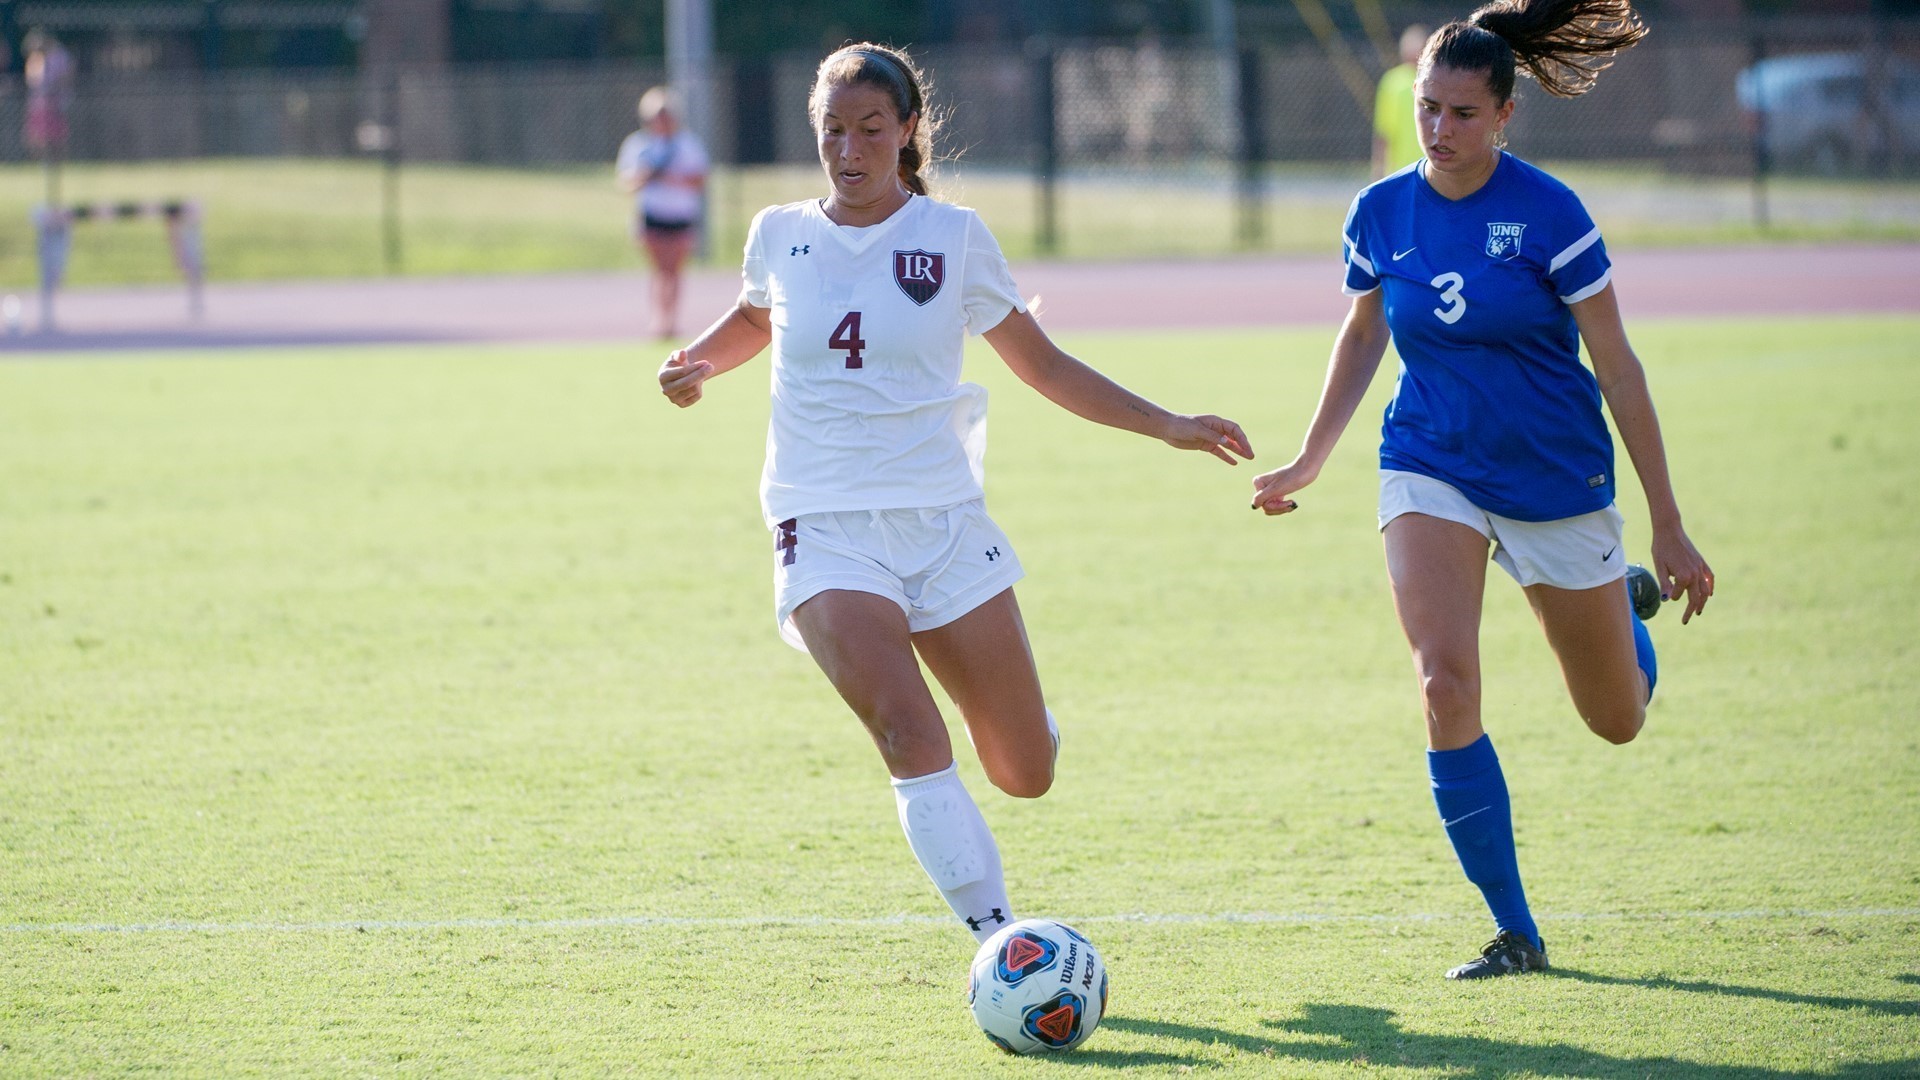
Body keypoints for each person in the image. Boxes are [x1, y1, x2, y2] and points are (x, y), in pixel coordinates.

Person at [658, 43, 1253, 943]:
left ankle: (1020, 722)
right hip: (820, 523)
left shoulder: (954, 240)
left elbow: (1042, 365)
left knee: (1025, 769)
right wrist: (697, 363)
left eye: (869, 130)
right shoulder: (780, 232)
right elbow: (754, 317)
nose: (849, 151)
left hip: (941, 522)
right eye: (832, 132)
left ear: (906, 133)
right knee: (910, 734)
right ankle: (1000, 943)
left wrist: (1165, 422)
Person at [1250, 0, 1714, 979]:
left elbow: (1619, 370)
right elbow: (1367, 329)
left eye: (1463, 113)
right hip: (1430, 459)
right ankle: (1516, 931)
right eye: (1428, 108)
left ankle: (1625, 604)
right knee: (1442, 683)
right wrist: (1310, 456)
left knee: (1617, 718)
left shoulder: (1551, 213)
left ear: (1506, 115)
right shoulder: (1380, 212)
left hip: (1554, 475)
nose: (1439, 130)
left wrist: (1669, 526)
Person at [616, 86, 709, 339]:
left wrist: (671, 178)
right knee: (660, 271)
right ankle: (659, 319)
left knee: (675, 270)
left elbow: (700, 179)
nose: (663, 120)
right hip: (652, 215)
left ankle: (671, 320)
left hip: (680, 215)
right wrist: (646, 176)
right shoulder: (639, 145)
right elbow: (626, 181)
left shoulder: (688, 144)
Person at [1372, 24, 1431, 181]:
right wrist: (1379, 168)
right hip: (1401, 168)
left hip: (1431, 166)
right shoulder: (1392, 82)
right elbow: (1384, 131)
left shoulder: (1435, 81)